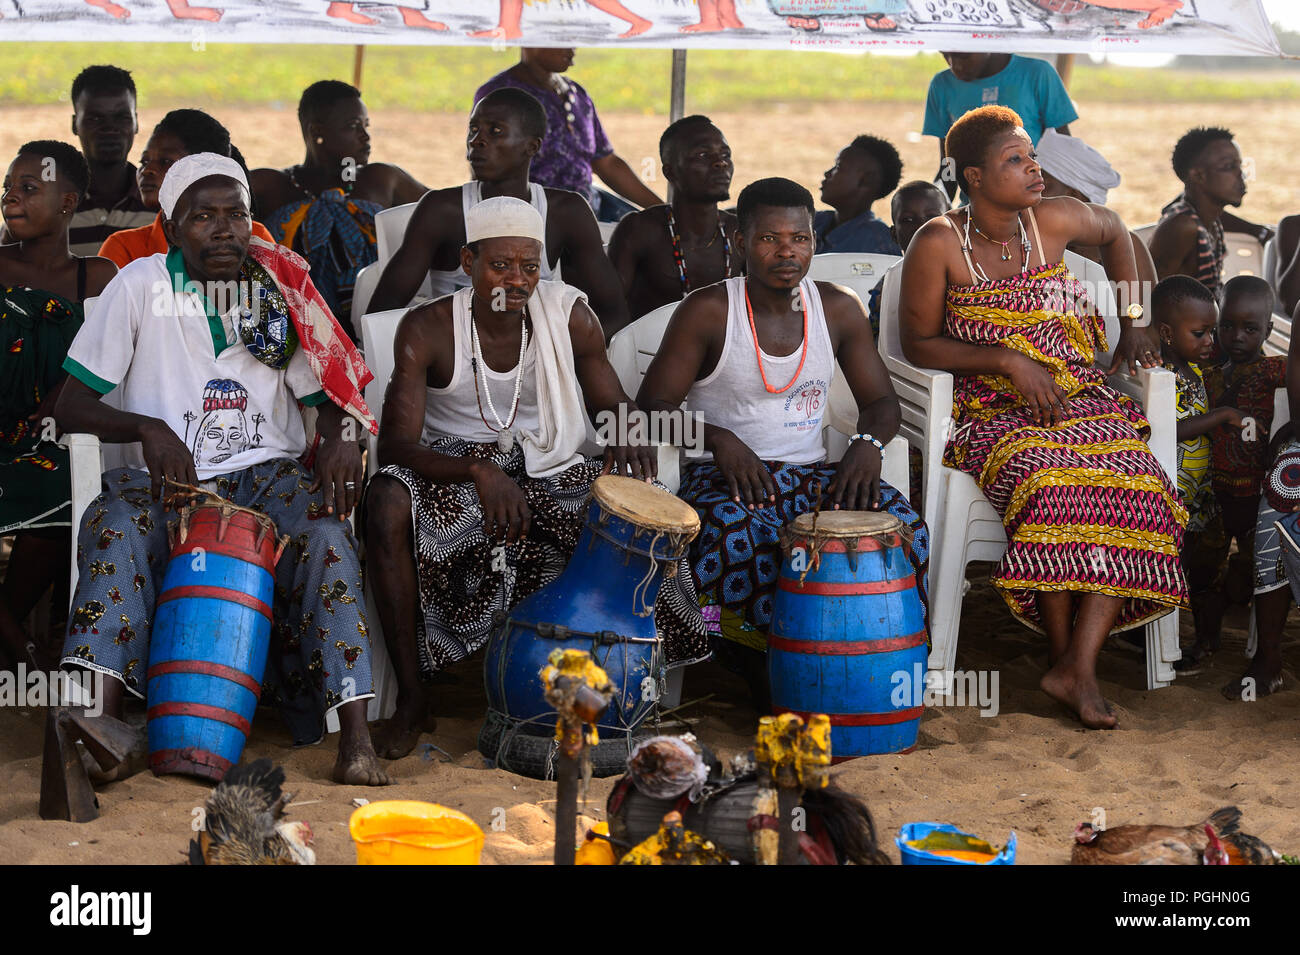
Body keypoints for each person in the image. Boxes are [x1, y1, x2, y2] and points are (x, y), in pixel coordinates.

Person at [53, 153, 391, 786]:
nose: (223, 230)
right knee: (113, 521)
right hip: (168, 483)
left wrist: (344, 434)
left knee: (326, 535)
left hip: (268, 478)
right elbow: (69, 405)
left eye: (236, 214)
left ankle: (357, 741)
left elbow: (331, 398)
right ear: (173, 225)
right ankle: (104, 725)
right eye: (203, 216)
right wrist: (145, 428)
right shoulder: (139, 286)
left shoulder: (278, 289)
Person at [363, 197, 707, 757]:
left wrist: (625, 429)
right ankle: (413, 697)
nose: (518, 280)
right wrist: (478, 471)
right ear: (467, 260)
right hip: (459, 466)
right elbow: (397, 445)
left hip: (551, 456)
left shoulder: (568, 314)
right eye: (501, 265)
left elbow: (609, 405)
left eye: (530, 265)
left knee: (641, 513)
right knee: (386, 500)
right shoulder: (428, 328)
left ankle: (635, 688)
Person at [899, 105, 1186, 730]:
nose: (1033, 169)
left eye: (1031, 157)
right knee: (1052, 488)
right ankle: (1066, 663)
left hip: (1081, 398)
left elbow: (1118, 234)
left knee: (1141, 488)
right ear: (973, 176)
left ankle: (1075, 665)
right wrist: (1007, 361)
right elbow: (919, 343)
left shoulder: (1051, 219)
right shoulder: (939, 242)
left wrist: (1133, 322)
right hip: (993, 410)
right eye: (1015, 160)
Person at [636, 178, 929, 707]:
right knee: (738, 537)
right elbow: (647, 413)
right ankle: (764, 669)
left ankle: (871, 660)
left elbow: (883, 403)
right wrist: (718, 437)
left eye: (800, 237)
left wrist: (866, 443)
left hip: (814, 476)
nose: (787, 251)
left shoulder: (837, 309)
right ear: (741, 240)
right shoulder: (709, 312)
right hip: (724, 481)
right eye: (770, 238)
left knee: (902, 527)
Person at [369, 88, 629, 333]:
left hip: (537, 360)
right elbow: (380, 313)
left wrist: (557, 352)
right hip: (457, 362)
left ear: (532, 146)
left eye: (495, 131)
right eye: (473, 130)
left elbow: (614, 315)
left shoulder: (567, 213)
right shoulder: (442, 211)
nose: (477, 141)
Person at [0, 141, 116, 670]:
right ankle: (17, 643)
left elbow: (104, 368)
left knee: (62, 485)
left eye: (28, 189)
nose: (11, 199)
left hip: (52, 436)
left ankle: (9, 622)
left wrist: (50, 412)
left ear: (69, 202)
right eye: (7, 189)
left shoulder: (98, 278)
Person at [249, 80, 428, 341]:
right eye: (353, 127)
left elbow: (445, 211)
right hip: (291, 331)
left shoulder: (381, 180)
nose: (365, 137)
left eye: (366, 126)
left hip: (377, 326)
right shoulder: (273, 187)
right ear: (317, 132)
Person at [1180, 276, 1286, 671]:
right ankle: (1204, 641)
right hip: (1213, 497)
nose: (1236, 336)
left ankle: (1237, 618)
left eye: (1250, 328)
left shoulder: (1275, 371)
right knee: (1201, 572)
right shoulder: (1204, 373)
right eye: (1227, 326)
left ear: (1268, 331)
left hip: (1258, 497)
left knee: (1249, 576)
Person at [1152, 276, 1242, 672]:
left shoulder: (1192, 368)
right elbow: (1171, 430)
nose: (1211, 341)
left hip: (1199, 494)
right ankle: (1156, 640)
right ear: (1167, 333)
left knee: (1204, 572)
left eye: (1212, 331)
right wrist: (1221, 416)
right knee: (1178, 569)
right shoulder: (1162, 377)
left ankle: (1203, 641)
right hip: (1176, 497)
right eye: (1200, 333)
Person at [474, 48, 662, 222]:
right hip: (530, 220)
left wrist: (662, 210)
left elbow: (606, 163)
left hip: (586, 213)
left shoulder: (577, 94)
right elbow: (485, 167)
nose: (572, 46)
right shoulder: (500, 94)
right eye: (561, 37)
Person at [98, 109, 276, 268]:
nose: (148, 170)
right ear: (172, 231)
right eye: (144, 162)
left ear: (208, 169)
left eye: (166, 162)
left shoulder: (255, 238)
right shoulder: (124, 247)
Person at [607, 115, 742, 323]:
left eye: (725, 154)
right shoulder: (639, 230)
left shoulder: (738, 233)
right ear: (670, 172)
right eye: (703, 155)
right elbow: (611, 312)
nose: (720, 163)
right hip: (647, 353)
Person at [923, 54, 1077, 201]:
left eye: (963, 56)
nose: (954, 64)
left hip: (1036, 203)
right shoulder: (942, 85)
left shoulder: (1037, 74)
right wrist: (936, 204)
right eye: (945, 54)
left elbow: (1064, 154)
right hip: (977, 210)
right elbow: (948, 164)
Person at [1149, 127, 1273, 298]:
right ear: (1198, 176)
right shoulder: (1182, 227)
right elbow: (1151, 297)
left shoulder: (1209, 218)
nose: (1241, 175)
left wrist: (1258, 231)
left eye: (1240, 166)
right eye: (1229, 167)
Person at [1035, 128, 1159, 291]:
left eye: (1042, 184)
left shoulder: (1129, 245)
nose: (1033, 191)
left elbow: (1144, 313)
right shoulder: (1028, 242)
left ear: (1074, 197)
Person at [67, 65, 155, 256]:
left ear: (136, 122)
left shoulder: (160, 205)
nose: (109, 128)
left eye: (121, 117)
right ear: (75, 124)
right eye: (95, 119)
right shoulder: (51, 205)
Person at [864, 180, 948, 339]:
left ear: (953, 223)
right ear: (894, 234)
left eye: (932, 217)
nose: (922, 226)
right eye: (908, 220)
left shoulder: (965, 274)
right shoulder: (888, 287)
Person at [814, 134, 903, 255]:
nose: (827, 173)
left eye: (838, 167)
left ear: (865, 180)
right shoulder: (812, 221)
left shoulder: (879, 244)